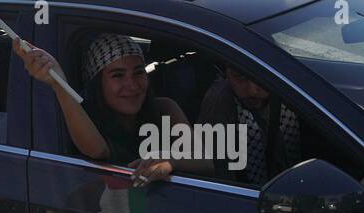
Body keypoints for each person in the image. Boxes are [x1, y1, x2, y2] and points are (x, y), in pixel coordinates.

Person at [17, 32, 209, 187]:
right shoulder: (87, 120)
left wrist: (169, 161)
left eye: (138, 72)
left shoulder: (165, 108)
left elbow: (204, 162)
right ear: (98, 84)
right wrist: (58, 83)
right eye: (118, 75)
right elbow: (97, 150)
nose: (132, 85)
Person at [198, 64, 303, 185]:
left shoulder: (292, 91)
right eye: (239, 77)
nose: (252, 90)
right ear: (227, 73)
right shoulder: (218, 107)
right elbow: (220, 181)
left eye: (260, 77)